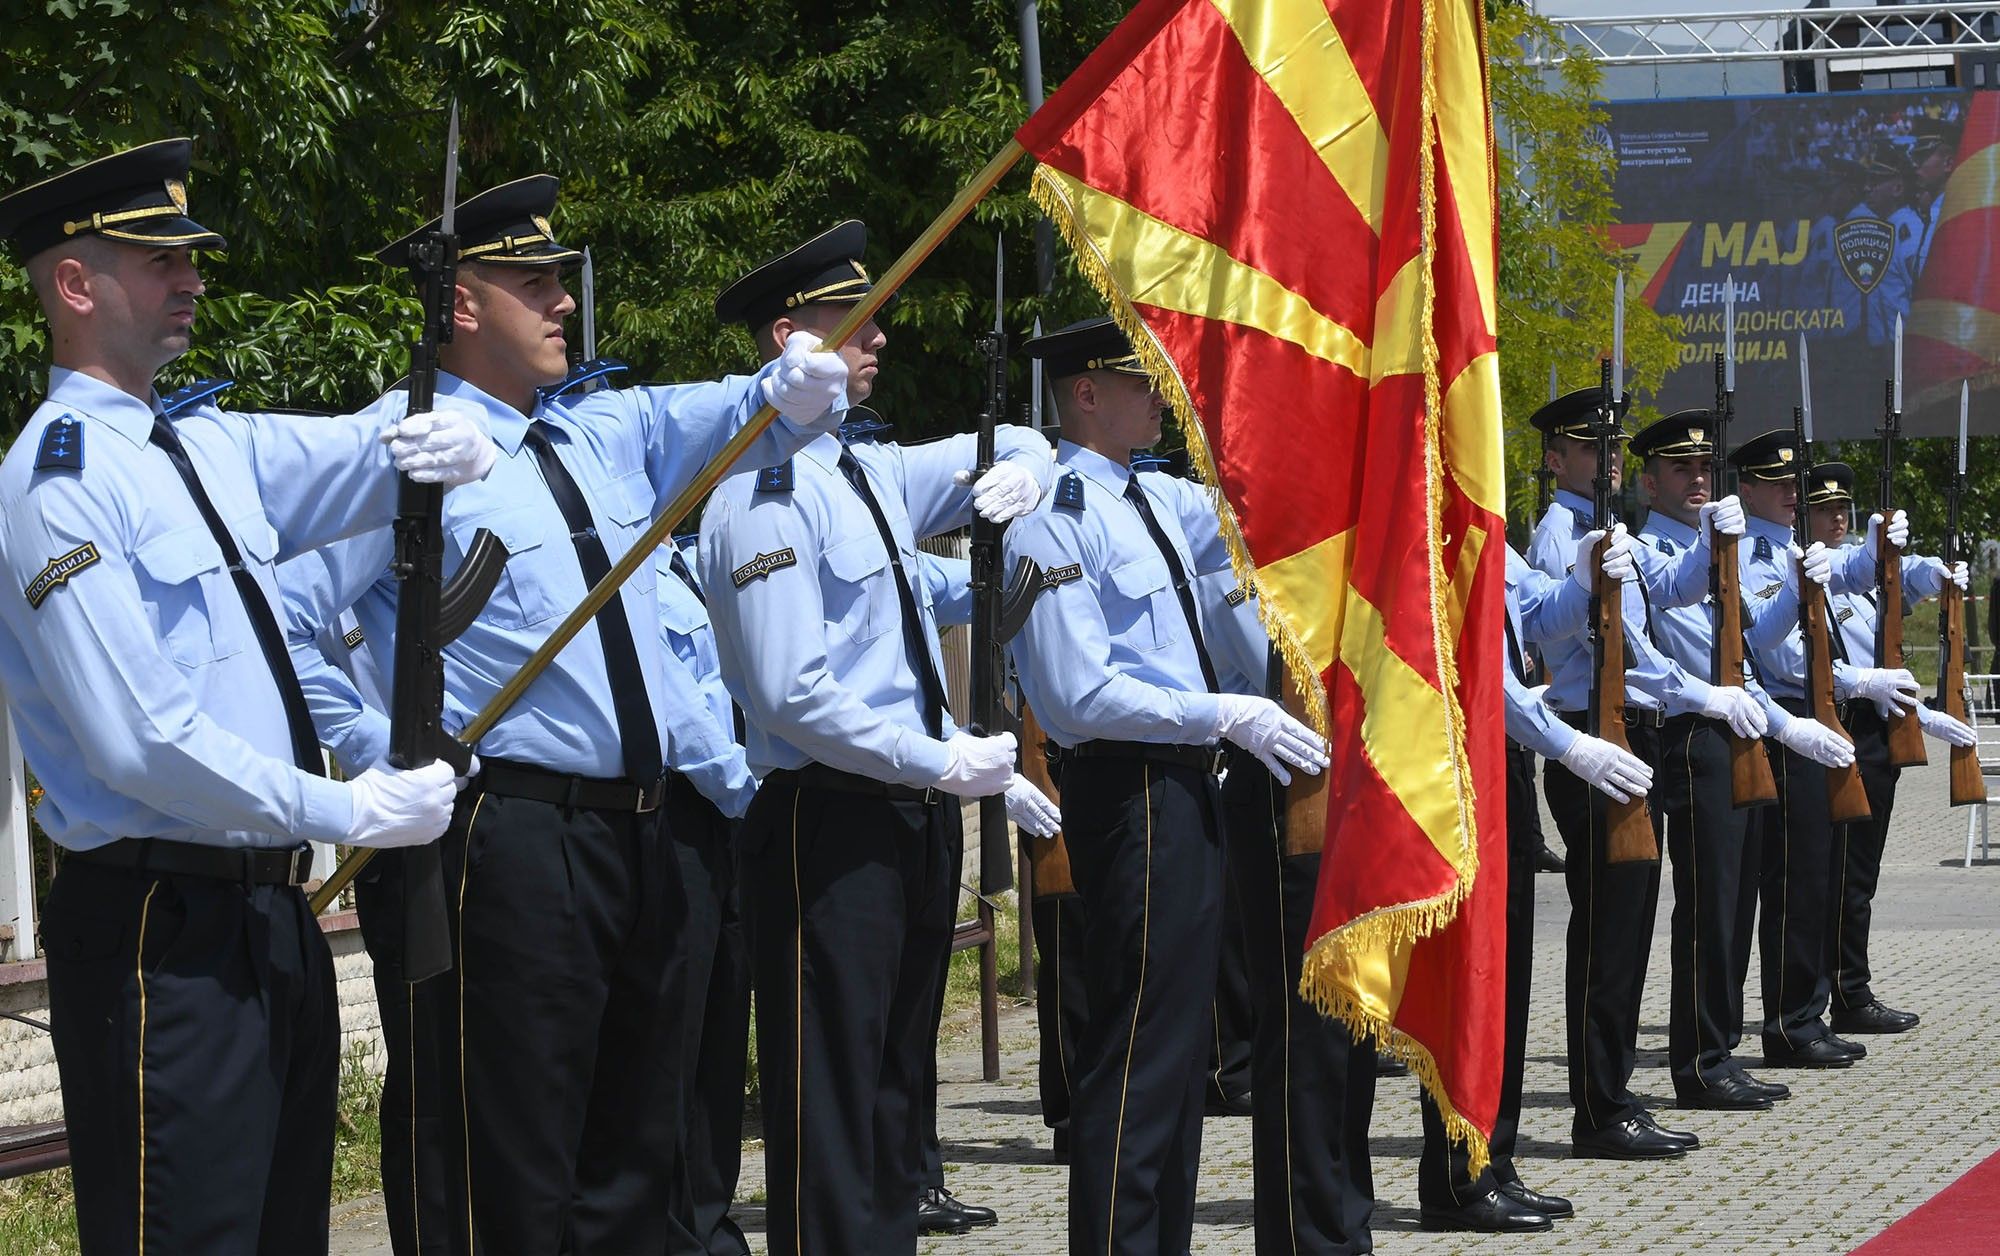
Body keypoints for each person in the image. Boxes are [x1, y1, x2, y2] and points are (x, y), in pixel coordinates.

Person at [279, 175, 849, 1253]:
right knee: (507, 1153)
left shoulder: (599, 433)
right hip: (511, 832)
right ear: (459, 304)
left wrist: (792, 382)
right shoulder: (401, 448)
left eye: (558, 280)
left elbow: (735, 411)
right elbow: (292, 623)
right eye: (531, 282)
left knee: (641, 1147)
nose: (562, 303)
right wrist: (376, 752)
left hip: (644, 829)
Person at [0, 137, 492, 1253]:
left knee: (283, 1232)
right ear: (75, 285)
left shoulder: (205, 447)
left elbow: (357, 453)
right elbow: (138, 744)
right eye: (158, 260)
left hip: (264, 915)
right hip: (156, 927)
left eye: (190, 257)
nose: (192, 278)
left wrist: (442, 429)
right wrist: (346, 809)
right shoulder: (58, 477)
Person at [697, 220, 1057, 1255]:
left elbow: (1017, 443)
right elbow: (790, 692)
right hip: (827, 819)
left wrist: (1022, 470)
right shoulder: (756, 493)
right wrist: (940, 757)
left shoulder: (866, 472)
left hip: (903, 814)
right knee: (833, 1095)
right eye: (849, 320)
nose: (879, 339)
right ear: (785, 341)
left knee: (899, 1091)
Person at [1002, 316, 1329, 1256]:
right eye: (1137, 381)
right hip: (1132, 792)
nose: (1160, 395)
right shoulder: (1055, 512)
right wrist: (1224, 713)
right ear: (1086, 395)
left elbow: (1247, 503)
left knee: (1179, 1066)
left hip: (1187, 793)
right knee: (1137, 1058)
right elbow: (1079, 692)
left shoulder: (1151, 499)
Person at [1527, 387, 1766, 1161]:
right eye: (1590, 450)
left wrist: (1710, 547)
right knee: (1608, 930)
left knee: (1623, 926)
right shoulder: (1564, 537)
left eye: (1611, 449)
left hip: (1625, 739)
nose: (1606, 462)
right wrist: (1710, 695)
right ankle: (1601, 1106)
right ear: (1556, 459)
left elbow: (1667, 593)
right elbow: (1627, 657)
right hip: (1592, 738)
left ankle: (1611, 1096)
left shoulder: (1608, 529)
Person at [1628, 412, 1850, 1113]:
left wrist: (1789, 725)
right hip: (1695, 736)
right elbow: (1683, 661)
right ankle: (1699, 1061)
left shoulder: (1708, 545)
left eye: (1704, 469)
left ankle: (1717, 1050)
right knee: (1711, 907)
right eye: (1681, 470)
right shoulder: (1648, 553)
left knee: (1736, 904)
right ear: (1649, 481)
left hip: (1737, 733)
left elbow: (1745, 652)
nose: (1697, 480)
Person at [1733, 430, 1911, 1068]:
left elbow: (1856, 571)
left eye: (1793, 485)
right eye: (1778, 484)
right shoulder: (1754, 553)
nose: (1790, 493)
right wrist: (1858, 679)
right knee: (1796, 879)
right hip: (1789, 719)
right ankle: (1790, 1020)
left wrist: (1885, 543)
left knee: (1822, 875)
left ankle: (1810, 1009)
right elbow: (1773, 649)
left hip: (1819, 715)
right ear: (1747, 489)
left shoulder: (1790, 547)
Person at [1804, 462, 1974, 1035]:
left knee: (1860, 874)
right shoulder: (1805, 574)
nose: (1837, 518)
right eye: (1825, 508)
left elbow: (1911, 576)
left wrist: (1944, 574)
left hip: (1874, 731)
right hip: (1832, 725)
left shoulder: (1862, 573)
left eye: (1843, 509)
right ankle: (1828, 993)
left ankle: (1850, 988)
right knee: (1832, 874)